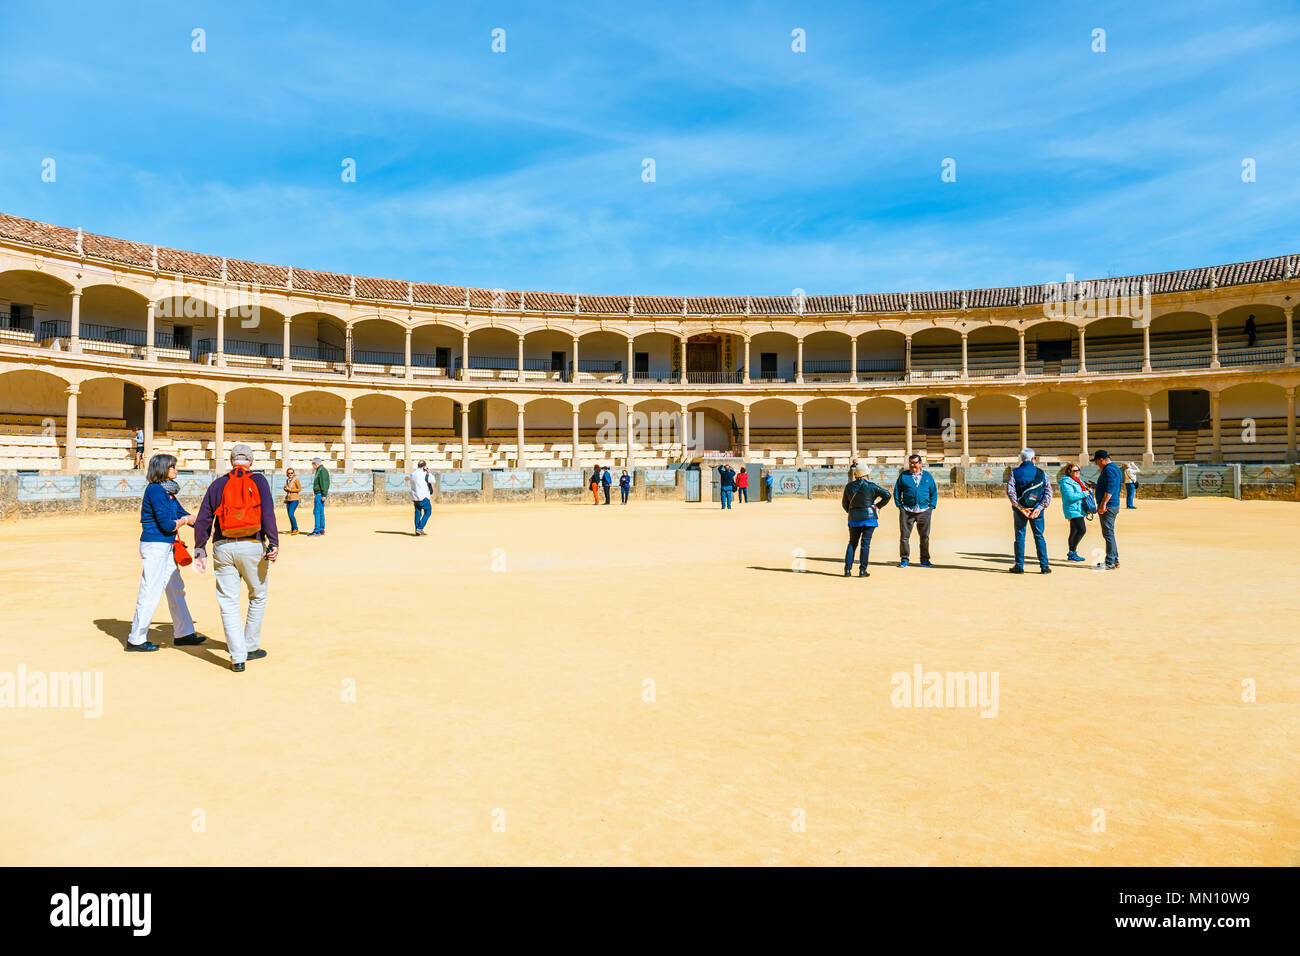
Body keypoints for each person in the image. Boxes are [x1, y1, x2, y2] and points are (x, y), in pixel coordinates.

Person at [193, 443, 280, 672]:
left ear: (231, 461)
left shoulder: (219, 483)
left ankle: (237, 657)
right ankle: (250, 646)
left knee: (228, 602)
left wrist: (200, 548)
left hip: (223, 546)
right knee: (258, 596)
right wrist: (274, 542)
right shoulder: (259, 481)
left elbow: (204, 518)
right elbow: (267, 512)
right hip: (252, 544)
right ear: (250, 461)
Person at [126, 453, 201, 651]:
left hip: (164, 546)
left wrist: (205, 524)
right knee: (150, 589)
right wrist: (186, 521)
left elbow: (182, 514)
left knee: (175, 586)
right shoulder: (156, 491)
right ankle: (136, 638)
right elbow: (169, 524)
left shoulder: (167, 492)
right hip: (155, 546)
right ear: (162, 470)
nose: (176, 469)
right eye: (172, 466)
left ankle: (184, 632)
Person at [1007, 447, 1052, 574]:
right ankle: (1044, 566)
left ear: (1021, 458)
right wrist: (1039, 508)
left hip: (1020, 509)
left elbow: (1011, 492)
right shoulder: (1041, 473)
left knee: (1020, 536)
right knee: (1039, 536)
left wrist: (1020, 508)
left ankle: (1019, 566)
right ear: (1033, 459)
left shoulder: (1015, 472)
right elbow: (1048, 492)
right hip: (1037, 509)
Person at [841, 464, 891, 577]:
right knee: (865, 544)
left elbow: (845, 504)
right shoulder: (871, 486)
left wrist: (852, 512)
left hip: (854, 518)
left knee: (852, 543)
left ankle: (847, 570)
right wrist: (878, 506)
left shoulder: (849, 486)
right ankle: (862, 570)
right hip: (869, 518)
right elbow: (887, 495)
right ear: (867, 474)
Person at [892, 454, 937, 567]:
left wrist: (931, 506)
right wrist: (899, 506)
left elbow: (934, 491)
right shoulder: (904, 476)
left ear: (920, 463)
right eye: (911, 463)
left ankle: (925, 559)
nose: (913, 465)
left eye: (915, 463)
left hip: (924, 510)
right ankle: (904, 559)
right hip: (907, 510)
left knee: (925, 537)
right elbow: (897, 491)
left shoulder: (927, 476)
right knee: (904, 537)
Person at [1092, 449, 1123, 570]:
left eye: (1096, 461)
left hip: (1108, 506)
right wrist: (1096, 486)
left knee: (1108, 534)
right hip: (1112, 504)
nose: (1096, 464)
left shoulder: (1109, 469)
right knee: (1109, 533)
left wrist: (1103, 504)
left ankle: (1110, 561)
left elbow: (1110, 489)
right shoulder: (1114, 468)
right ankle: (1114, 559)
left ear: (1101, 459)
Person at [1058, 463, 1091, 562]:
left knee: (1074, 531)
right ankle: (1072, 552)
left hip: (1078, 508)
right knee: (1082, 530)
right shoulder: (1066, 482)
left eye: (1078, 470)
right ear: (1069, 472)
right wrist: (1085, 493)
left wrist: (1088, 490)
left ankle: (1072, 553)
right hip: (1073, 509)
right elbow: (1070, 496)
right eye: (1075, 471)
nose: (1077, 472)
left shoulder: (1078, 480)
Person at [307, 455, 330, 536]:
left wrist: (324, 494)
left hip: (320, 493)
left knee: (316, 511)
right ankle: (321, 529)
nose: (312, 467)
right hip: (321, 493)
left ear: (315, 464)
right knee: (320, 511)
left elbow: (323, 483)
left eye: (313, 465)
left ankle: (317, 530)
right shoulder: (321, 470)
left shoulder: (321, 471)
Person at [410, 459, 433, 534]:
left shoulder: (413, 473)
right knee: (428, 511)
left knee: (417, 512)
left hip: (415, 496)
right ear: (424, 467)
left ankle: (417, 529)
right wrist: (429, 473)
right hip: (423, 496)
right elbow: (433, 480)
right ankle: (420, 528)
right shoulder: (424, 473)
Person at [283, 467, 301, 535]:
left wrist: (291, 490)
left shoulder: (296, 480)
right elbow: (288, 489)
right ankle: (292, 528)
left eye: (292, 473)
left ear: (294, 473)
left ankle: (296, 528)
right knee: (289, 514)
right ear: (287, 474)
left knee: (291, 513)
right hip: (288, 499)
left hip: (295, 499)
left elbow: (299, 489)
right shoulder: (287, 480)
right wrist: (286, 489)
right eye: (289, 473)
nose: (290, 474)